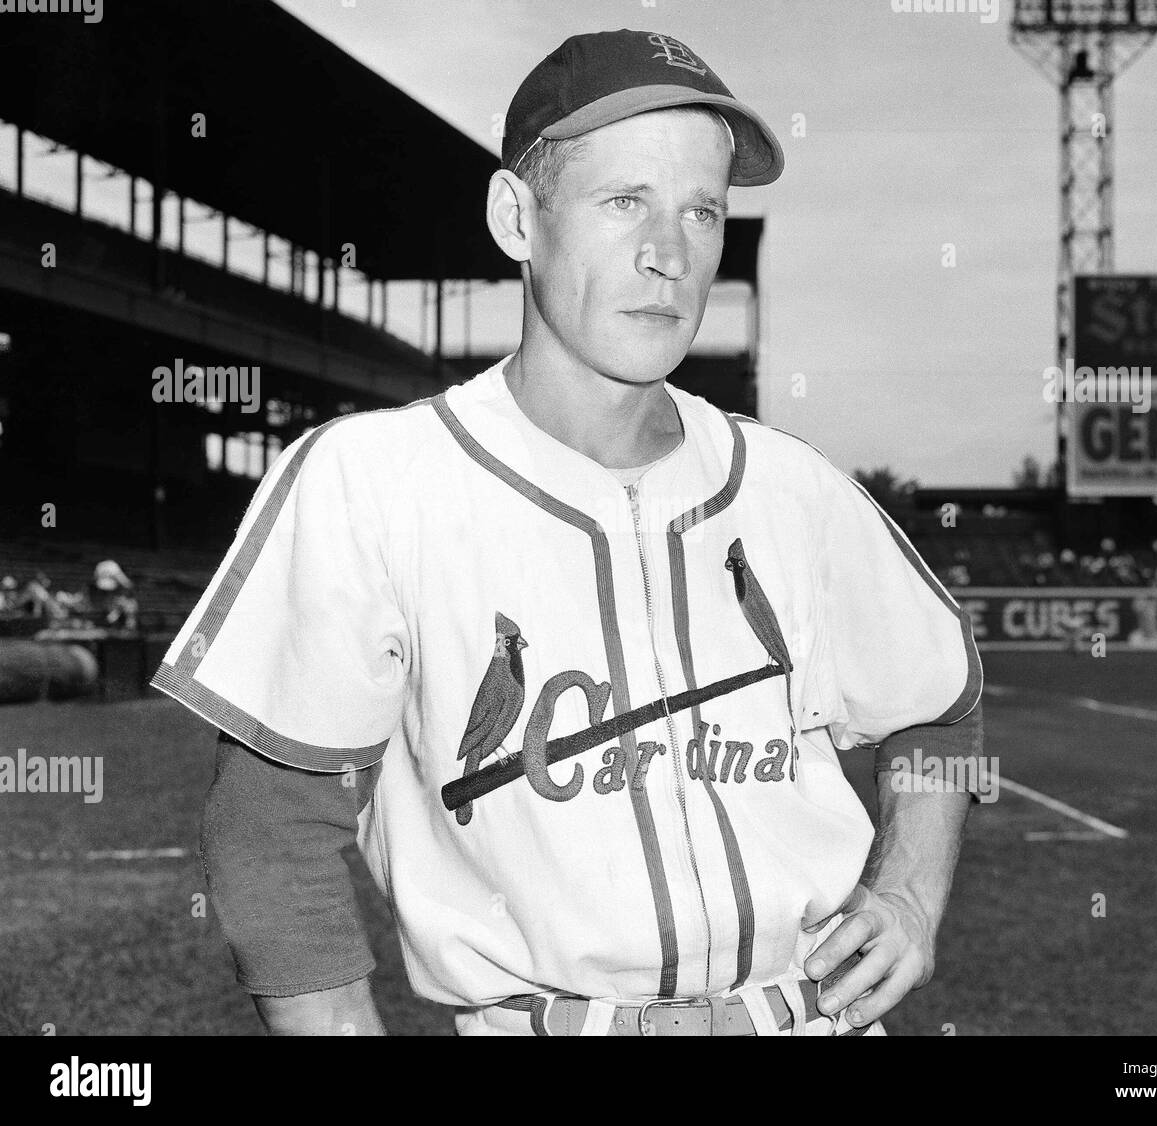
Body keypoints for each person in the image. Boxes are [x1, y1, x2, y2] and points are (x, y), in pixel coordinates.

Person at [152, 29, 985, 1037]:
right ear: (517, 217)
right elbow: (268, 841)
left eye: (700, 210)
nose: (667, 252)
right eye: (623, 199)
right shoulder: (373, 482)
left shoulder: (793, 492)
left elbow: (941, 708)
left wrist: (905, 890)